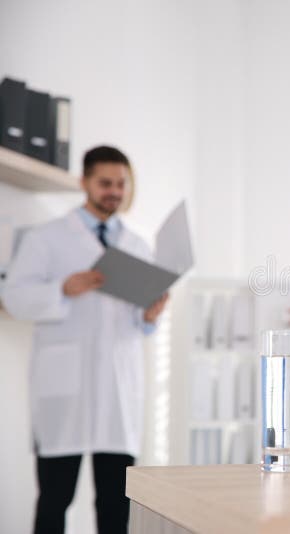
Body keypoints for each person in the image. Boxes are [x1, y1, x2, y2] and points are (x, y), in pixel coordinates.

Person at [3, 145, 168, 534]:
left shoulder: (137, 244)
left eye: (120, 184)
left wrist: (149, 316)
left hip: (117, 388)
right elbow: (14, 297)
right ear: (85, 183)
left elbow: (137, 322)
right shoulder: (48, 238)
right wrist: (62, 288)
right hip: (64, 388)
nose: (114, 191)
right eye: (105, 183)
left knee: (115, 504)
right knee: (54, 500)